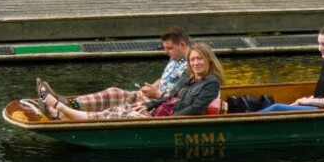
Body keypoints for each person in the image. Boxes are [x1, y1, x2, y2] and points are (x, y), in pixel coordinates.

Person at [34, 44, 221, 120]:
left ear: (209, 60)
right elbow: (170, 98)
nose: (195, 63)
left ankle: (61, 110)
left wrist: (163, 119)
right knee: (117, 98)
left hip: (164, 120)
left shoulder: (211, 82)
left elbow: (194, 109)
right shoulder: (189, 78)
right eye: (193, 60)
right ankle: (64, 108)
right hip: (158, 112)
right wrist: (148, 106)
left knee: (120, 112)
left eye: (200, 59)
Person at [36, 27, 192, 114]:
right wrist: (152, 86)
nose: (166, 52)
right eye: (165, 48)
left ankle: (60, 111)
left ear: (183, 45)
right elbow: (164, 79)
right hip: (149, 96)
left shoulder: (191, 67)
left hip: (158, 104)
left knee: (117, 109)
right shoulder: (175, 58)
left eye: (169, 48)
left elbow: (179, 99)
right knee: (114, 92)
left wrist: (156, 94)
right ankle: (67, 102)